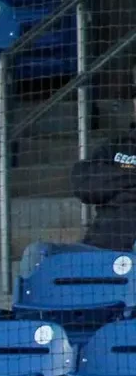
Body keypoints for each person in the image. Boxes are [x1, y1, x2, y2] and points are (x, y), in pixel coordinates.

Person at [70, 78, 136, 250]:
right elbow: (84, 185)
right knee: (38, 254)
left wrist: (117, 181)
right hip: (104, 246)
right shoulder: (113, 147)